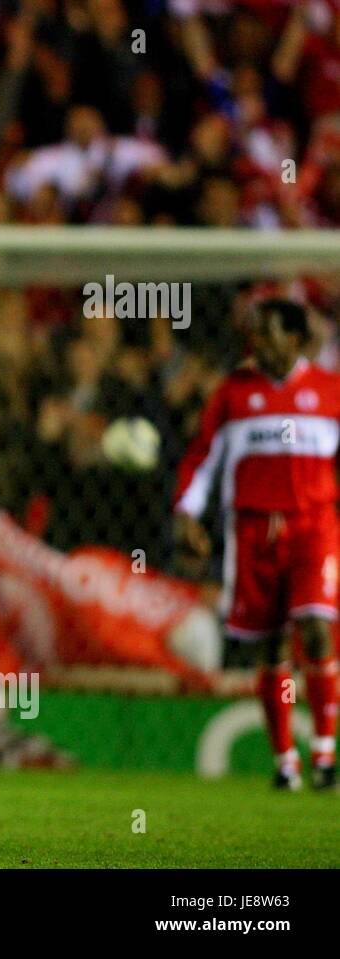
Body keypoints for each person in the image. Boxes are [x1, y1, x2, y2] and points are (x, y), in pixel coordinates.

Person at [174, 299, 340, 791]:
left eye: (268, 334)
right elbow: (202, 457)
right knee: (270, 649)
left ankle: (326, 753)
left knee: (315, 627)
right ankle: (285, 760)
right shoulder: (233, 394)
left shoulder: (330, 391)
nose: (258, 344)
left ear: (296, 338)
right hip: (253, 534)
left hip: (314, 528)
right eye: (255, 335)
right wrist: (187, 512)